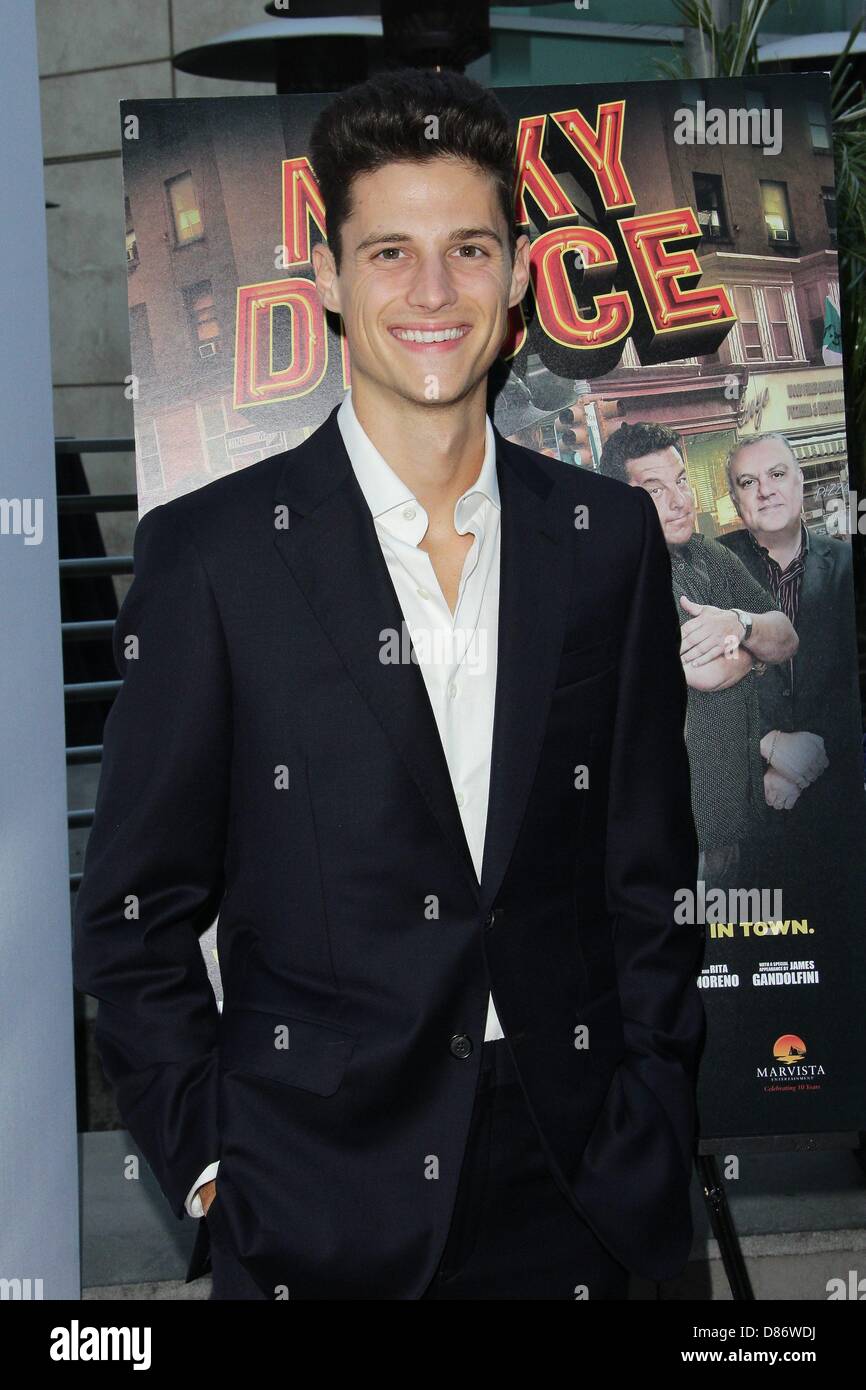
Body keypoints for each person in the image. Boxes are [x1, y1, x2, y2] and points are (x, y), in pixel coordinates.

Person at [73, 68, 706, 1301]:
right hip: (316, 1197)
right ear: (328, 278)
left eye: (467, 248)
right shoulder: (214, 557)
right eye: (389, 252)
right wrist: (213, 1167)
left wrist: (652, 1109)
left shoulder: (606, 537)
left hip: (582, 1184)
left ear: (519, 274)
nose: (430, 293)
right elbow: (131, 915)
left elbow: (646, 867)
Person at [598, 422, 798, 891]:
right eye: (655, 489)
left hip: (743, 816)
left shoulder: (705, 555)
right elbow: (704, 672)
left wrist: (738, 624)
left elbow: (786, 634)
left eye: (682, 481)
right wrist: (752, 643)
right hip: (680, 838)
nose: (680, 500)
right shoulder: (624, 571)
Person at [718, 432, 864, 893]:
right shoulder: (710, 568)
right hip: (746, 819)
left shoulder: (848, 565)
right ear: (736, 500)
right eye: (748, 481)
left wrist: (808, 760)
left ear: (800, 480)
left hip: (842, 810)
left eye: (777, 474)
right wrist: (768, 745)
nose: (766, 490)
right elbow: (683, 695)